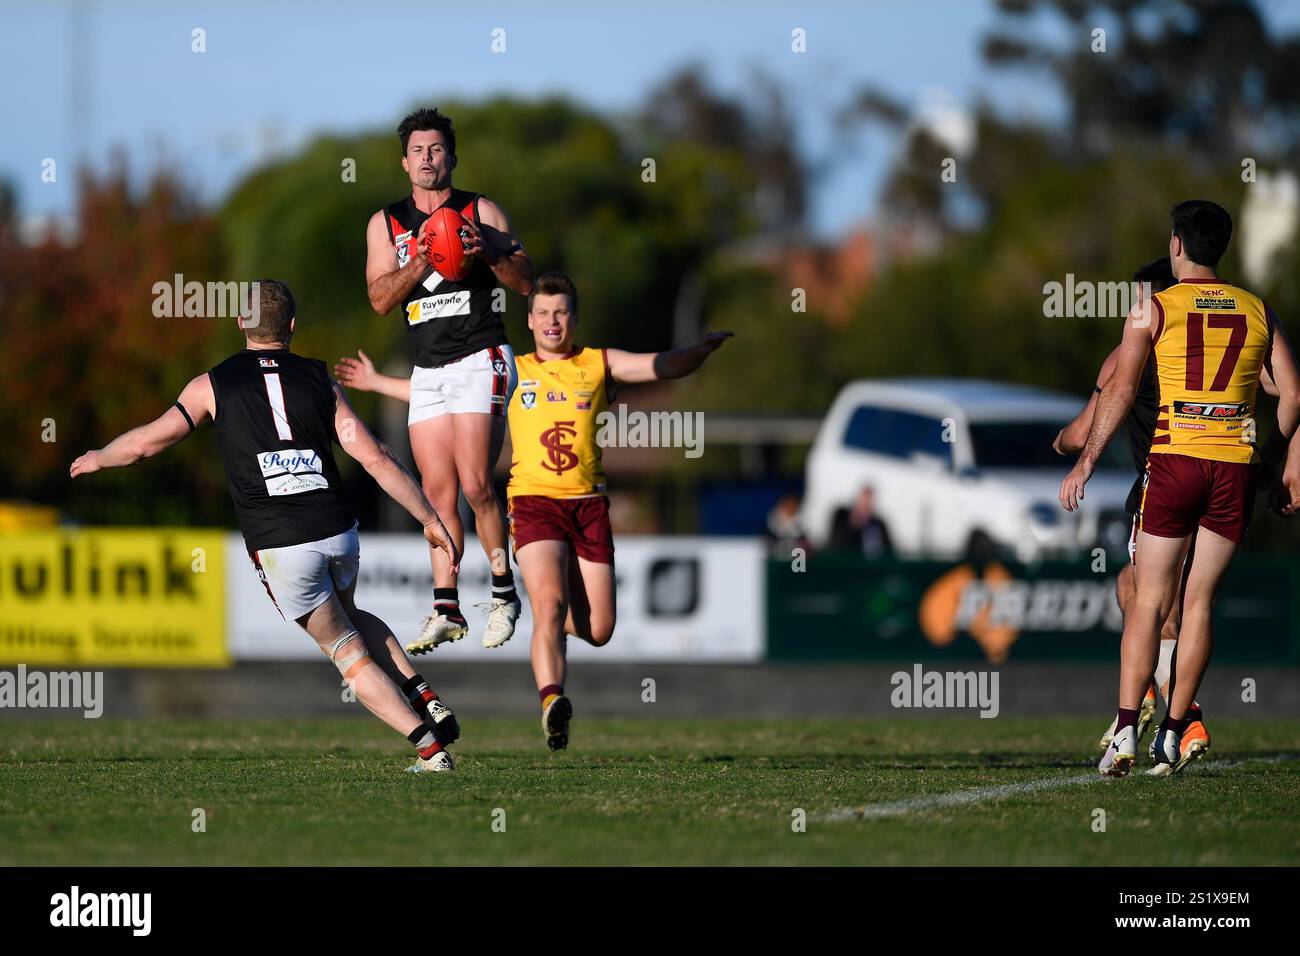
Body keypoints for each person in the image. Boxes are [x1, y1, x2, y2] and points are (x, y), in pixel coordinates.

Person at [70, 280, 465, 774]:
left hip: (282, 541)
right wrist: (430, 518)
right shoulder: (321, 379)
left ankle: (428, 749)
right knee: (350, 612)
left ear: (241, 323)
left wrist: (100, 457)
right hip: (337, 528)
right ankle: (419, 689)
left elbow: (149, 443)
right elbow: (376, 457)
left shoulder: (211, 384)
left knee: (344, 649)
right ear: (292, 327)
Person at [338, 271, 732, 750]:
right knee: (548, 605)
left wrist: (699, 352)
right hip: (532, 502)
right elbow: (440, 392)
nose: (552, 321)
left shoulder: (597, 363)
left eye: (561, 312)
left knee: (601, 628)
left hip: (588, 505)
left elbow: (660, 365)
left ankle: (549, 621)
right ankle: (551, 701)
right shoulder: (512, 368)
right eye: (543, 313)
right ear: (528, 320)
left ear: (575, 318)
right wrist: (378, 383)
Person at [1060, 201, 1300, 777]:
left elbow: (1118, 392)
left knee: (1147, 598)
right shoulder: (1256, 309)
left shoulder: (1154, 308)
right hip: (1234, 465)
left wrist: (1087, 460)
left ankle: (1124, 733)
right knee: (1198, 604)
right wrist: (1270, 465)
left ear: (1176, 245)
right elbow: (1291, 395)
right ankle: (1173, 731)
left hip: (1174, 460)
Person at [364, 107, 535, 654]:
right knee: (435, 497)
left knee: (475, 484)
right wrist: (420, 260)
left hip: (481, 354)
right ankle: (447, 609)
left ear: (452, 157)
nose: (427, 159)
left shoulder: (480, 209)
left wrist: (489, 252)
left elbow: (526, 281)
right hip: (429, 369)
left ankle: (505, 593)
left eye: (436, 150)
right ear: (404, 161)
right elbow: (379, 300)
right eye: (417, 151)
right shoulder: (384, 223)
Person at [829, 485, 893, 558]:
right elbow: (836, 545)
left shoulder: (878, 524)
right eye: (863, 502)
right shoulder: (842, 516)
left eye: (869, 503)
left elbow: (889, 551)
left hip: (870, 567)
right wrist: (855, 523)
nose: (866, 505)